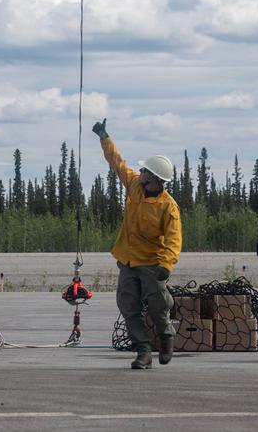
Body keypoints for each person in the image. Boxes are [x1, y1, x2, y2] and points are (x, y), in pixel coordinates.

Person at [92, 118, 182, 369]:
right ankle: (143, 351)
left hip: (152, 264)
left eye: (144, 171)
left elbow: (174, 239)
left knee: (157, 305)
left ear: (154, 179)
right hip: (128, 260)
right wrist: (104, 137)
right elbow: (117, 163)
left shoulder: (168, 207)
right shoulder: (133, 184)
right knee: (128, 304)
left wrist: (166, 265)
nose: (139, 172)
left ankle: (166, 337)